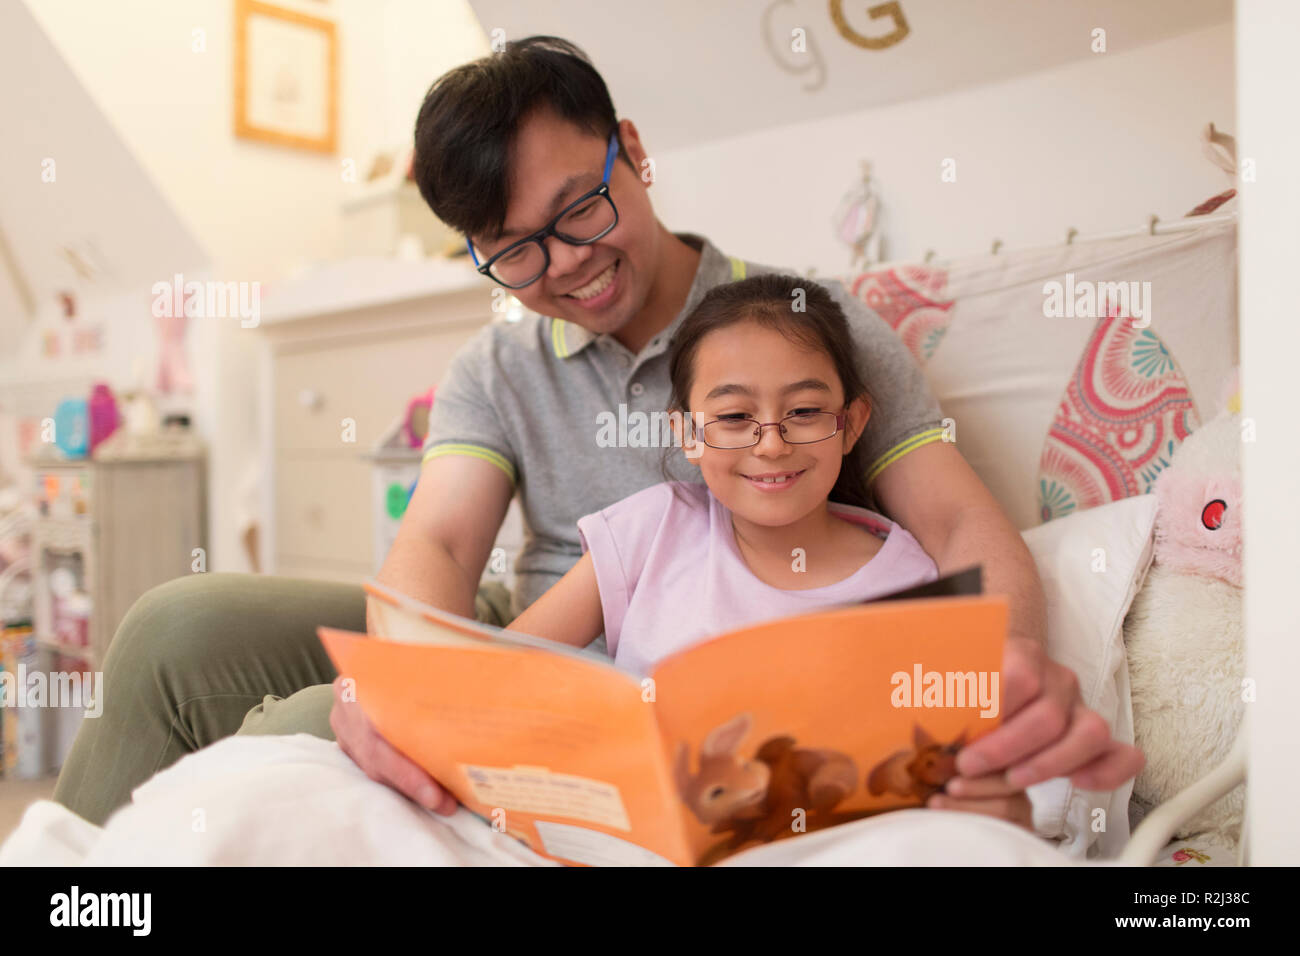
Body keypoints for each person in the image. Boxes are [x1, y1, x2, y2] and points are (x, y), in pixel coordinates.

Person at [54, 35, 1140, 829]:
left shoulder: (807, 327)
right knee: (177, 627)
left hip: (661, 652)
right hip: (528, 619)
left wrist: (986, 683)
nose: (563, 264)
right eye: (513, 250)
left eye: (578, 209)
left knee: (283, 724)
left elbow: (955, 520)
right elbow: (437, 542)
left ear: (630, 148)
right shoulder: (497, 363)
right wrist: (411, 683)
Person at [504, 273, 1033, 829]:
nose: (772, 444)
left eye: (804, 412)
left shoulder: (910, 581)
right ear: (687, 434)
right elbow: (499, 669)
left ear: (851, 424)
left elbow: (943, 764)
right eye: (734, 418)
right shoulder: (648, 533)